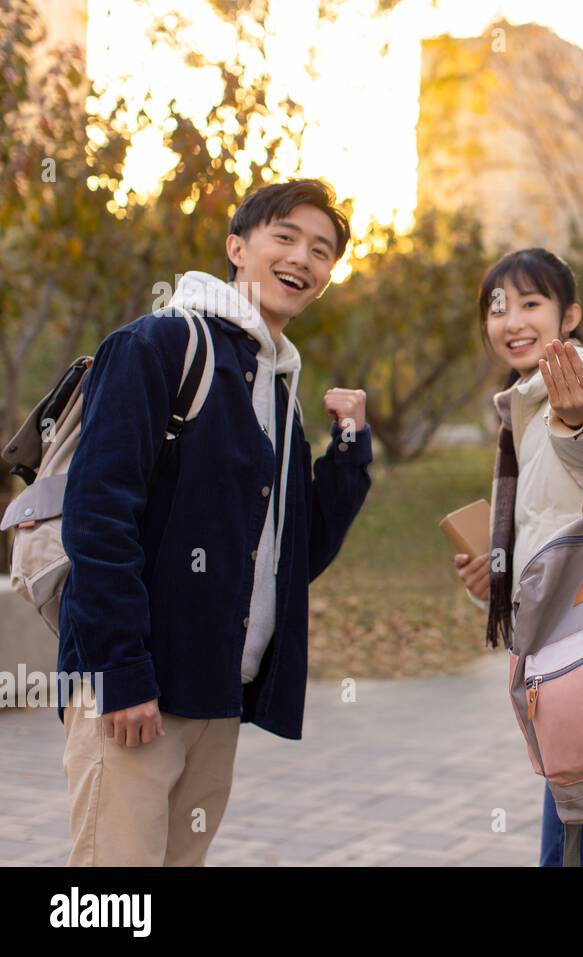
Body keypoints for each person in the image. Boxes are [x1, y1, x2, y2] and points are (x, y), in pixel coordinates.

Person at [58, 178, 373, 866]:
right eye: (284, 237)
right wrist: (119, 672)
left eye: (321, 250)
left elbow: (293, 559)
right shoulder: (161, 345)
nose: (302, 258)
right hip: (137, 687)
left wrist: (348, 451)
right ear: (237, 246)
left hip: (215, 693)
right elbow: (97, 514)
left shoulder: (276, 392)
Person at [453, 247, 583, 867]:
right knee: (579, 825)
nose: (510, 320)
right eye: (497, 308)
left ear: (570, 316)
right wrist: (490, 577)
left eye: (530, 303)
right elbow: (553, 529)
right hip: (561, 648)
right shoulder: (526, 402)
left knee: (575, 842)